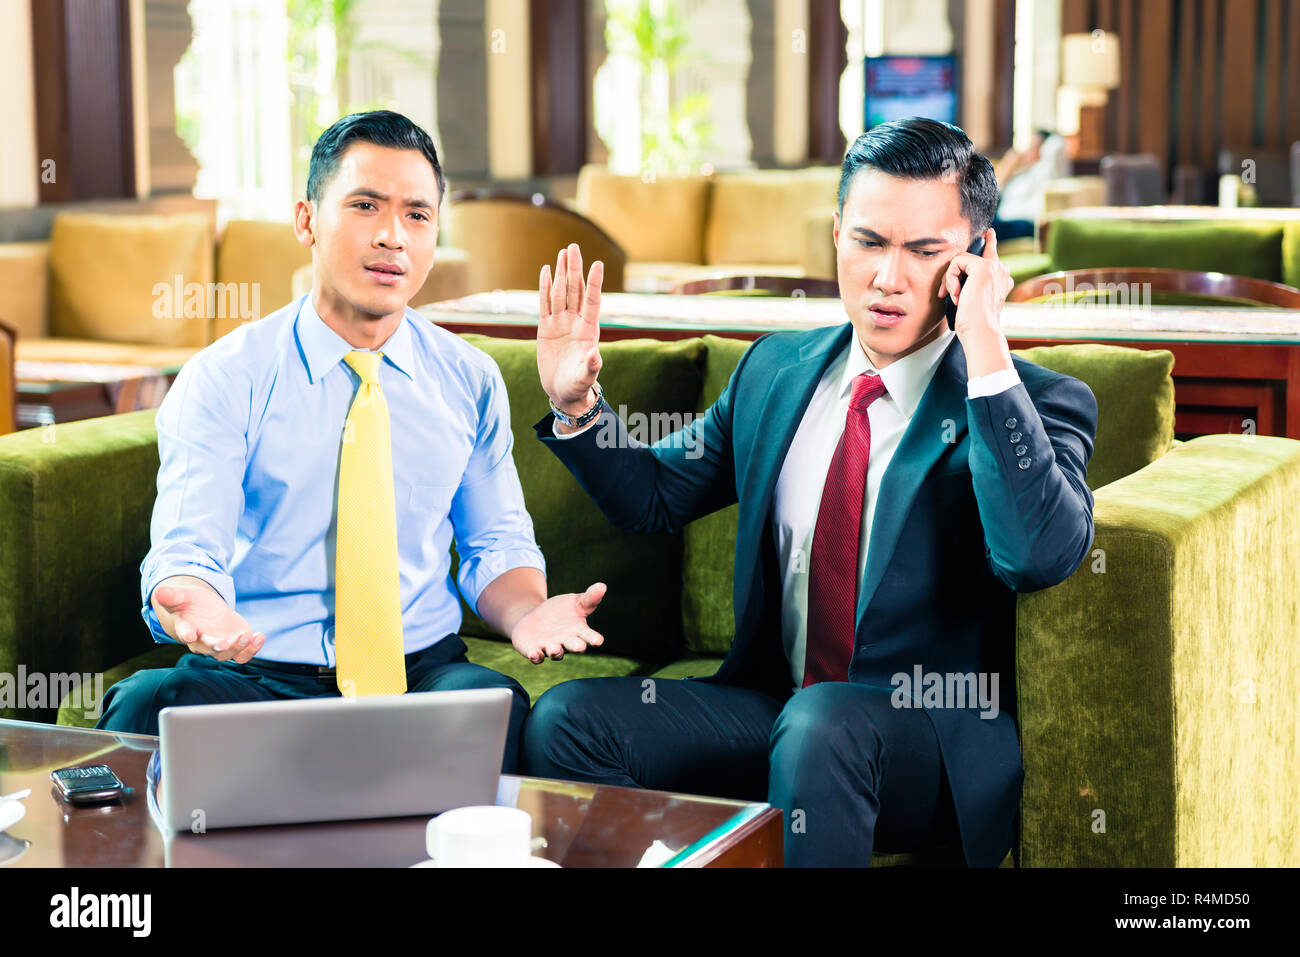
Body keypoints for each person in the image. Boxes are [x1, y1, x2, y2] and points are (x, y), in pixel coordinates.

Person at [521, 117, 1097, 866]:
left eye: (924, 251)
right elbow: (654, 496)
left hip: (926, 738)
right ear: (836, 234)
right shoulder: (776, 372)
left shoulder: (1033, 399)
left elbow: (1039, 555)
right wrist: (578, 408)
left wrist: (985, 348)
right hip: (780, 710)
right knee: (567, 719)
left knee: (825, 724)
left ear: (977, 258)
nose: (888, 277)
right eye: (868, 241)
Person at [96, 111, 606, 772]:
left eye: (418, 215)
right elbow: (190, 545)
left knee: (489, 700)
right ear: (307, 220)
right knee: (146, 702)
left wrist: (528, 614)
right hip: (258, 674)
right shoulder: (226, 378)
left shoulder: (470, 379)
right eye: (365, 206)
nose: (393, 235)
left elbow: (495, 543)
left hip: (416, 674)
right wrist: (192, 596)